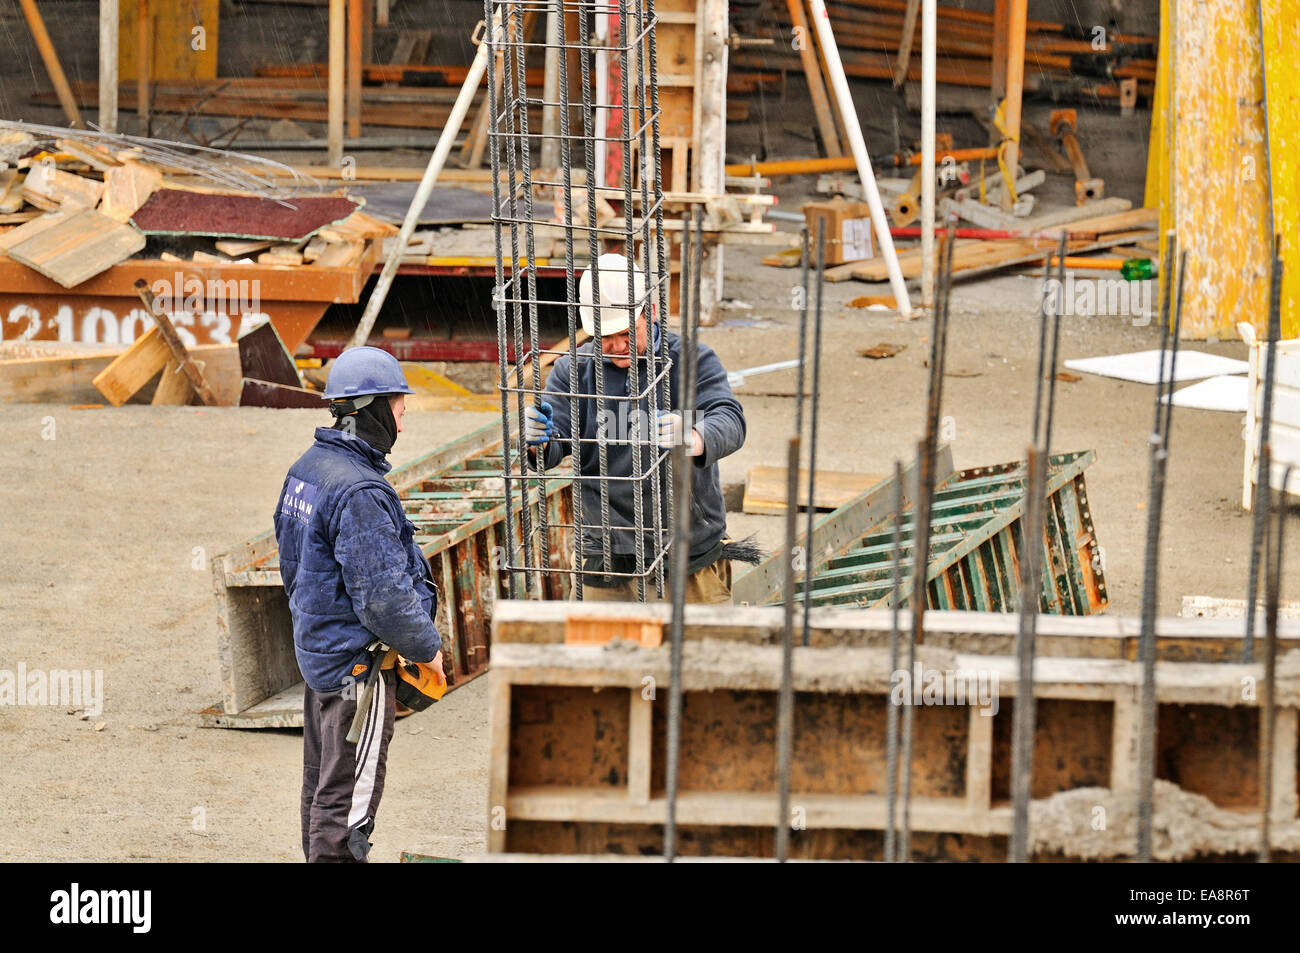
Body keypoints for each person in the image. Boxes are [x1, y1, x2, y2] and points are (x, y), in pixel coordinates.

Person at [273, 346, 443, 863]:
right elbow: (383, 597)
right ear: (369, 407)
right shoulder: (360, 491)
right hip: (358, 670)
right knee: (349, 805)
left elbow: (293, 565)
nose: (403, 415)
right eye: (396, 404)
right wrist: (426, 648)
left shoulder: (308, 469)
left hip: (320, 658)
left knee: (322, 788)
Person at [524, 253, 748, 603]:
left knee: (700, 655)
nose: (615, 346)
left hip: (686, 554)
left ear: (652, 313)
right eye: (604, 336)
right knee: (595, 658)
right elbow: (555, 445)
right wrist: (538, 441)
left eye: (627, 331)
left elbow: (730, 419)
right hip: (604, 556)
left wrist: (693, 436)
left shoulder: (690, 360)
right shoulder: (574, 370)